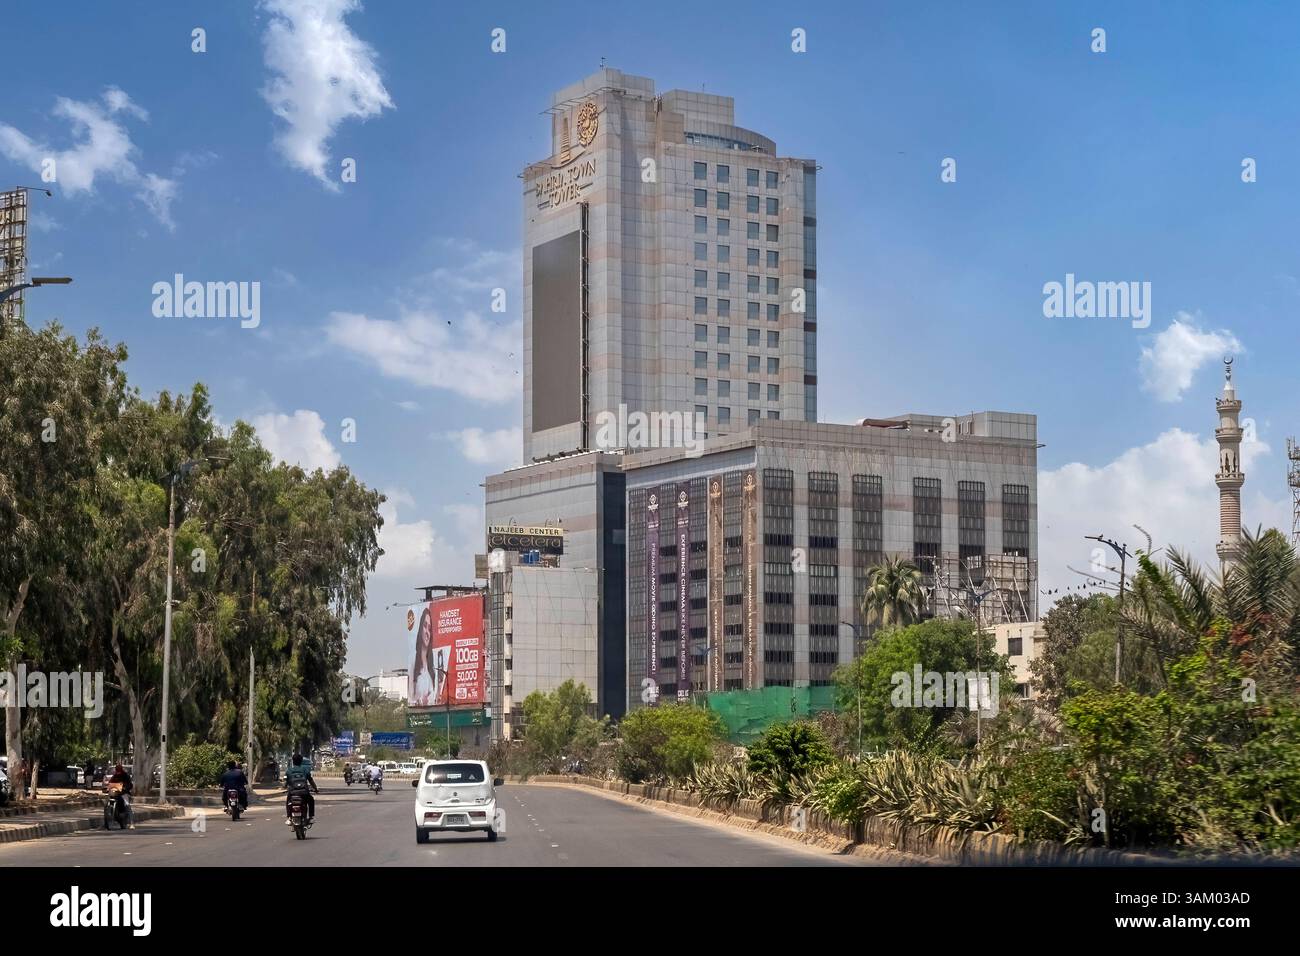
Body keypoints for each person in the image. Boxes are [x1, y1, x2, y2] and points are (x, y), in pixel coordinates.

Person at [284, 752, 319, 824]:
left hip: (292, 792)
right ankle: (311, 817)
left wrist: (283, 787)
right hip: (304, 792)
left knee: (288, 802)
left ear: (293, 761)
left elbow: (286, 782)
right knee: (311, 800)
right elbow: (311, 781)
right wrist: (315, 789)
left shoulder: (289, 770)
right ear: (301, 761)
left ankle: (289, 818)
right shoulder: (305, 770)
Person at [106, 762, 134, 828]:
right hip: (116, 793)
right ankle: (107, 821)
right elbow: (110, 783)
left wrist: (125, 787)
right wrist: (107, 787)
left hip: (123, 793)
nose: (118, 772)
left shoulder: (125, 775)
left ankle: (131, 823)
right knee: (107, 801)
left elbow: (130, 784)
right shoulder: (115, 776)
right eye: (117, 770)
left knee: (127, 805)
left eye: (119, 770)